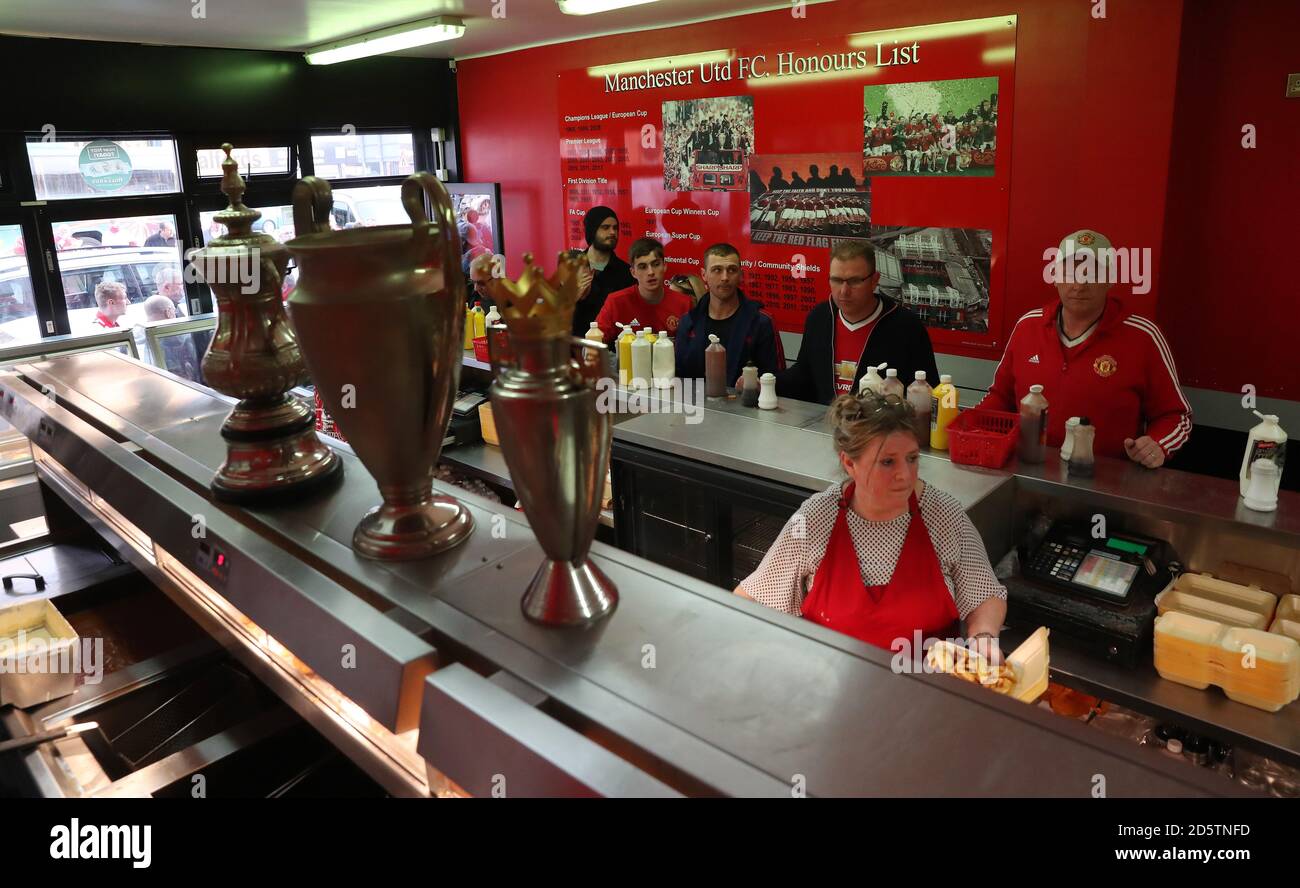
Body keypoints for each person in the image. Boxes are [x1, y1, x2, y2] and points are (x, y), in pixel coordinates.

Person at [736, 391, 1007, 659]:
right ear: (849, 462)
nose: (905, 475)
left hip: (926, 689)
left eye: (912, 458)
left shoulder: (943, 515)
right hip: (829, 686)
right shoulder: (816, 518)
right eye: (887, 462)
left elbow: (984, 595)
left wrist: (983, 636)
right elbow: (753, 598)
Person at [978, 229, 1192, 467]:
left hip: (1109, 486)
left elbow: (1176, 416)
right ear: (1055, 275)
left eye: (1091, 272)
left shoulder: (1143, 336)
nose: (1079, 284)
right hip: (1027, 474)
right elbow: (999, 397)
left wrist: (1158, 444)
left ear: (1110, 278)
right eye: (1070, 272)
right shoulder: (1027, 326)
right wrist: (970, 422)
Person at [776, 241, 939, 404]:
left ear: (874, 280)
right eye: (837, 280)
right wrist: (765, 383)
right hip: (823, 423)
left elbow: (927, 390)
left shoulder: (906, 326)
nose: (844, 291)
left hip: (881, 426)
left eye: (854, 281)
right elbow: (803, 375)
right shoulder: (820, 317)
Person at [676, 243, 781, 384]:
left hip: (746, 404)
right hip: (695, 403)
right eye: (717, 270)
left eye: (732, 270)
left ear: (741, 275)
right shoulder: (688, 322)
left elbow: (778, 380)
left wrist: (758, 386)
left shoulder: (761, 322)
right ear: (704, 275)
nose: (725, 277)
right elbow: (678, 375)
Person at [593, 238, 693, 343]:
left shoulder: (684, 303)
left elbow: (692, 349)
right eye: (642, 267)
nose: (650, 272)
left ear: (664, 266)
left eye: (655, 264)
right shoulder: (616, 302)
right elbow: (593, 343)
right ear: (633, 272)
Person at [573, 206, 634, 336]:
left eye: (615, 228)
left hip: (612, 348)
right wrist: (573, 298)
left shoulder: (626, 273)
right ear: (592, 230)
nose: (612, 232)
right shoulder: (571, 268)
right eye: (605, 227)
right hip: (576, 347)